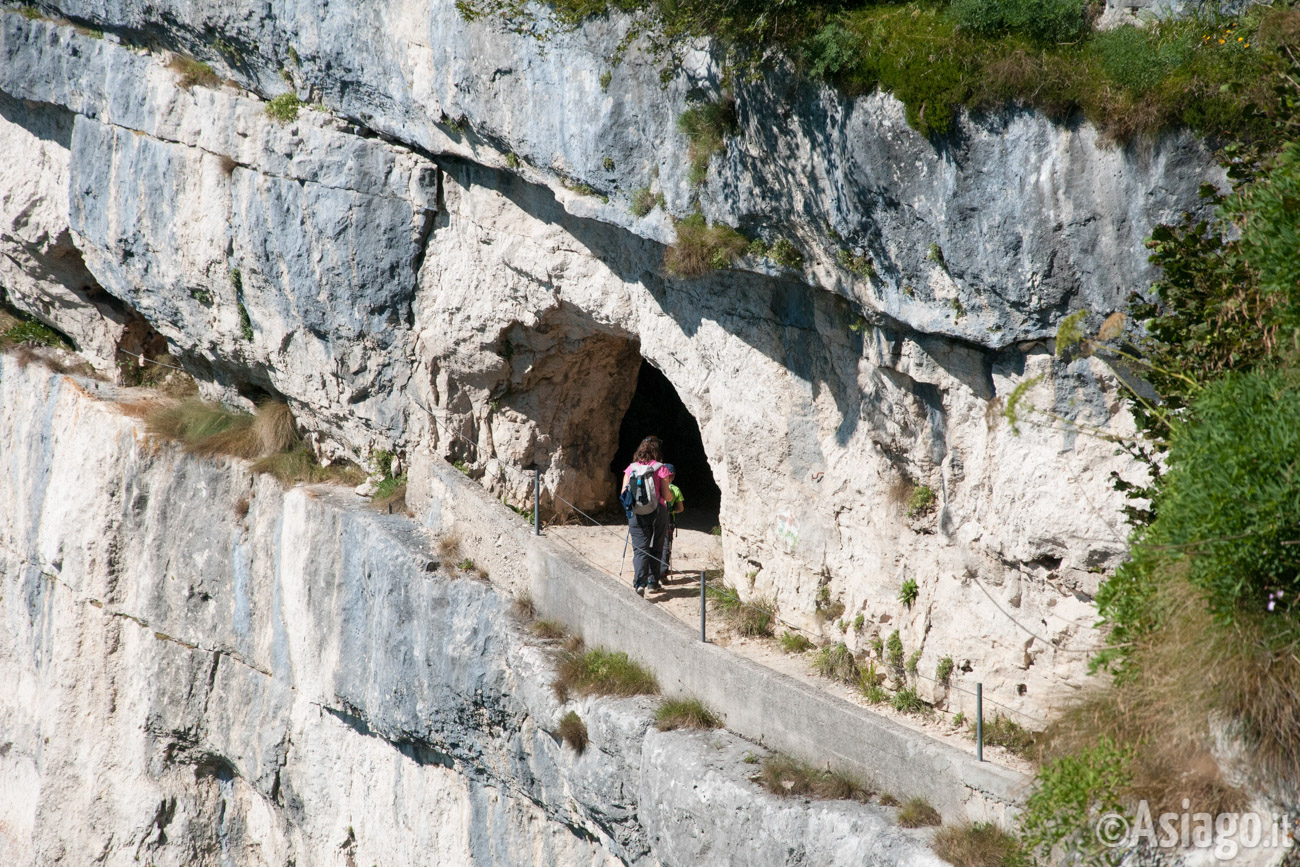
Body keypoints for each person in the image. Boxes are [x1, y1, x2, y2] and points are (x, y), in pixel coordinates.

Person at [621, 436, 672, 596]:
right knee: (656, 547)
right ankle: (652, 582)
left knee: (640, 549)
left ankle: (639, 584)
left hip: (636, 513)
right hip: (658, 512)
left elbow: (623, 492)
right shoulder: (660, 468)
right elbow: (667, 495)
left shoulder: (631, 468)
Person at [662, 464, 684, 575]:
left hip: (654, 517)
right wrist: (672, 511)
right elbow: (680, 508)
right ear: (673, 476)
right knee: (666, 544)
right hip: (668, 519)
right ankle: (663, 572)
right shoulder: (675, 489)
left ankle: (652, 573)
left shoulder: (655, 487)